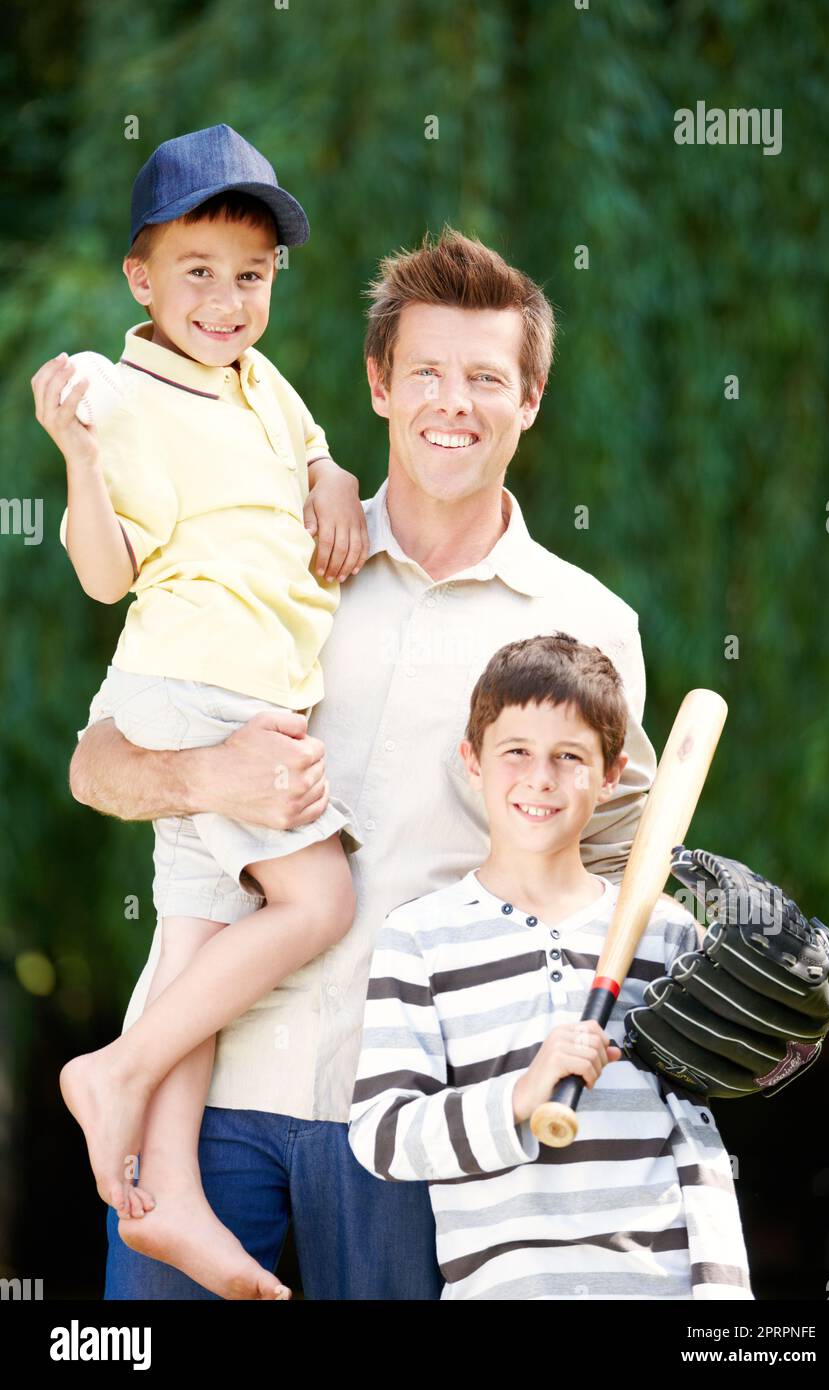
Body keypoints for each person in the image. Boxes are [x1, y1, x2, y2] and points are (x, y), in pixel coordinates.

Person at [68, 226, 661, 1300]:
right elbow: (99, 764)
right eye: (425, 372)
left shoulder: (591, 627)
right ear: (378, 384)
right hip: (203, 1093)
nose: (453, 402)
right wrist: (207, 779)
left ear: (528, 399)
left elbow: (613, 874)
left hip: (416, 1125)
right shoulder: (264, 555)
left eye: (486, 377)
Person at [31, 125, 369, 1300]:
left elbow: (314, 453)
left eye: (252, 276)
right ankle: (115, 1072)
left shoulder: (258, 383)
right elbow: (104, 572)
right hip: (195, 688)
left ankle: (164, 1184)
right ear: (139, 276)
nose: (226, 300)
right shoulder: (117, 395)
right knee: (317, 897)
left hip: (235, 683)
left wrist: (329, 478)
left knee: (197, 943)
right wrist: (74, 451)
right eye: (197, 272)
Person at [348, 634, 752, 1301]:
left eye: (570, 757)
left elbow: (747, 1070)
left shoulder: (667, 931)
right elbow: (382, 1136)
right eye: (516, 753)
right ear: (472, 763)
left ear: (612, 772)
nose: (541, 778)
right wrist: (521, 1094)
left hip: (667, 1284)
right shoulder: (420, 939)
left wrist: (785, 1001)